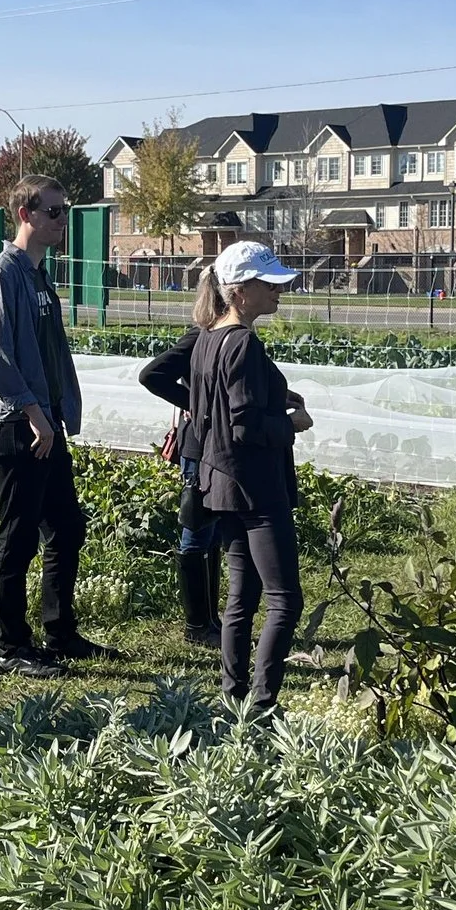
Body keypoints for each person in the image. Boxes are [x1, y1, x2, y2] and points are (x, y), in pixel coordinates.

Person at [0, 174, 109, 677]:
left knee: (66, 527)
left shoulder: (38, 275)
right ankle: (11, 647)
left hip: (45, 424)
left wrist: (57, 413)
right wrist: (33, 414)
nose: (62, 221)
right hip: (17, 425)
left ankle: (60, 631)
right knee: (18, 536)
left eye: (65, 211)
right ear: (25, 214)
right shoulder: (2, 274)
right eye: (54, 211)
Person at [187, 242, 313, 714]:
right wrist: (290, 425)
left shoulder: (207, 338)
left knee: (241, 596)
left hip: (220, 483)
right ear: (240, 292)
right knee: (285, 599)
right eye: (270, 282)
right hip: (255, 486)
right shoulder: (241, 342)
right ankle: (262, 704)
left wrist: (274, 395)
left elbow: (218, 410)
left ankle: (232, 696)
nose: (281, 289)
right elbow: (243, 425)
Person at [136, 304, 220, 651]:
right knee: (196, 530)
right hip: (197, 447)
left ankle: (211, 618)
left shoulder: (222, 336)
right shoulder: (200, 336)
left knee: (211, 533)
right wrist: (195, 404)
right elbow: (151, 375)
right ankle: (197, 625)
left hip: (213, 445)